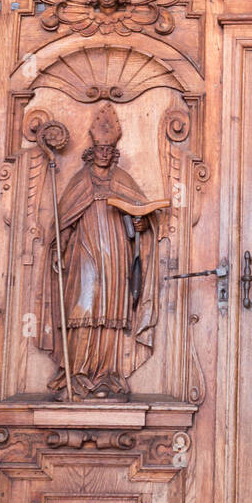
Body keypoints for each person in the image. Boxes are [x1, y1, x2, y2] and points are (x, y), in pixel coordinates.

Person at [39, 101, 158, 398]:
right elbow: (63, 219)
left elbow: (140, 216)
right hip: (85, 254)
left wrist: (141, 226)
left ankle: (107, 374)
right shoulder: (81, 180)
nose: (104, 154)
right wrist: (58, 249)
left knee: (110, 313)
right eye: (100, 149)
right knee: (84, 306)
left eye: (109, 149)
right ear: (92, 150)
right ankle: (76, 372)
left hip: (116, 255)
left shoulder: (122, 180)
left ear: (114, 151)